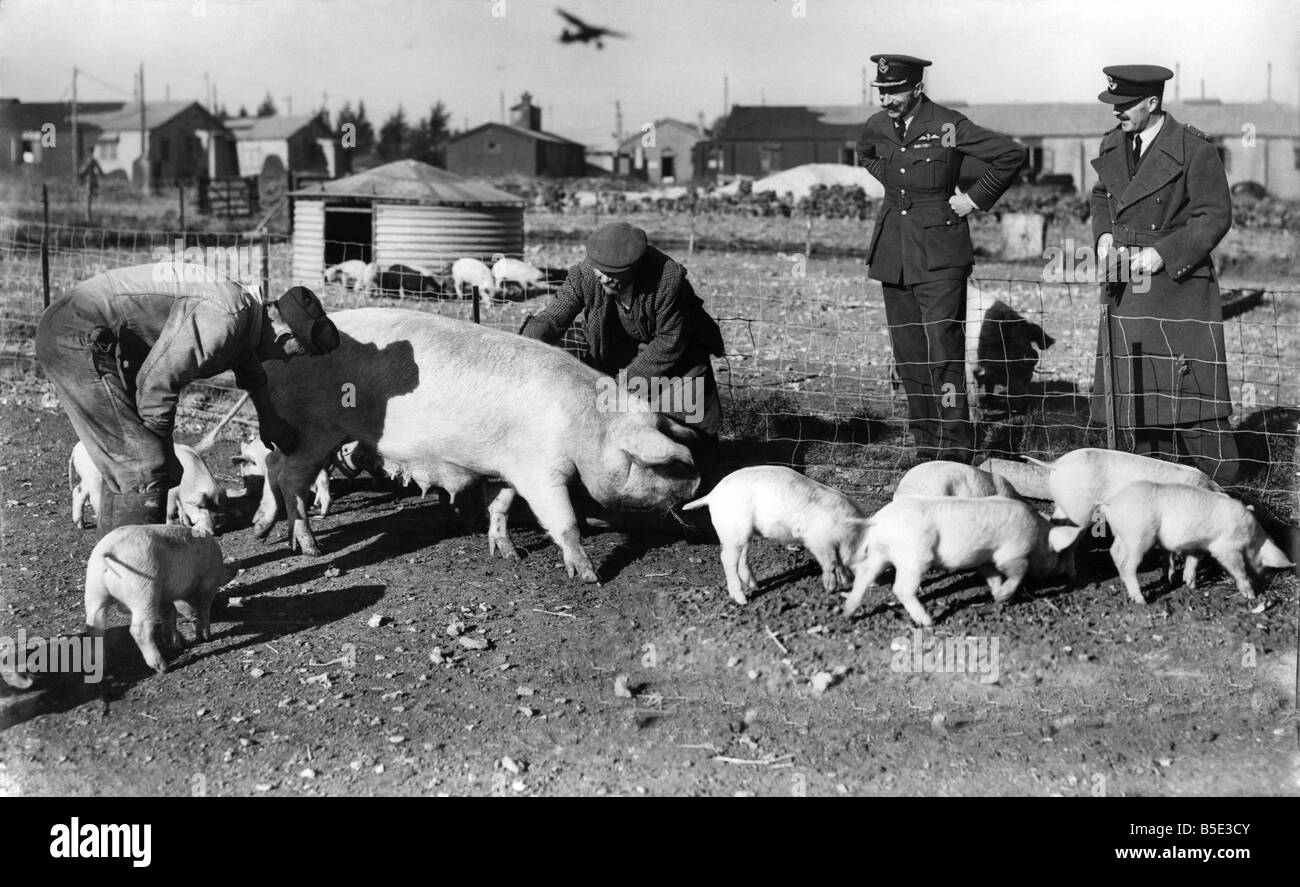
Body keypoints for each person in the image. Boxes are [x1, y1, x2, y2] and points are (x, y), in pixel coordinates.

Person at [35, 263, 340, 532]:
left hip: (97, 340)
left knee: (137, 466)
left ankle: (120, 564)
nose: (286, 361)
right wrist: (165, 458)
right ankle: (136, 577)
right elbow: (156, 385)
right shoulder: (225, 316)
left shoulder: (246, 315)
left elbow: (250, 368)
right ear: (285, 335)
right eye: (294, 353)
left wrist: (269, 421)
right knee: (144, 464)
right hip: (75, 333)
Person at [855, 54, 1027, 463]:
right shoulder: (878, 125)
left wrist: (972, 199)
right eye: (881, 91)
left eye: (894, 91)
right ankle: (925, 448)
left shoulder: (947, 125)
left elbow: (1010, 155)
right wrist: (901, 188)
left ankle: (954, 450)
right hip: (893, 252)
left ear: (917, 87)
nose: (886, 99)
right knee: (909, 355)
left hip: (940, 256)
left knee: (943, 353)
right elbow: (866, 153)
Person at [1089, 65, 1241, 483]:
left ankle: (1226, 490)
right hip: (1124, 278)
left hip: (1177, 283)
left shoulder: (1194, 149)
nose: (1117, 112)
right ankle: (1145, 483)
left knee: (1190, 391)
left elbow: (1215, 215)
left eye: (1125, 105)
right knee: (1133, 388)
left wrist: (1163, 254)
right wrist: (1103, 236)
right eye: (1114, 104)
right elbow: (1102, 194)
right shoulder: (1113, 143)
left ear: (1153, 103)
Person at [520, 221, 725, 456]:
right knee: (614, 432)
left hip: (677, 360)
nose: (604, 278)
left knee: (685, 438)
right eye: (600, 272)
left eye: (612, 274)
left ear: (635, 267)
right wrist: (524, 349)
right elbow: (552, 318)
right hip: (618, 351)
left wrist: (622, 387)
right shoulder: (585, 274)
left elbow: (669, 341)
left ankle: (704, 460)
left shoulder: (667, 280)